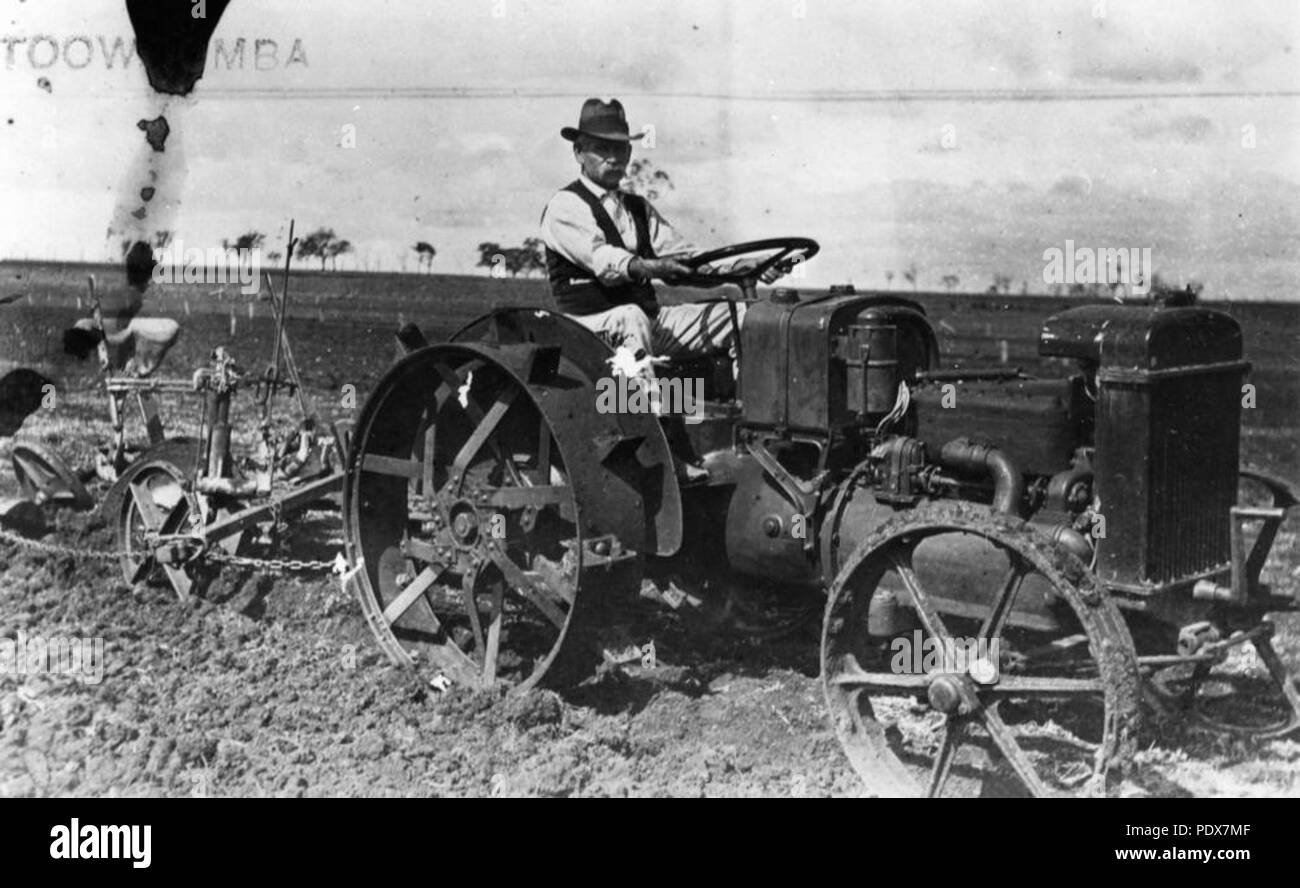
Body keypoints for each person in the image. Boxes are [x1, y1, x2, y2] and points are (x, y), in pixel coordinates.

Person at [540, 97, 756, 370]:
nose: (613, 157)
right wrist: (651, 267)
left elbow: (683, 255)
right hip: (589, 328)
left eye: (620, 149)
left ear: (629, 154)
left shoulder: (637, 207)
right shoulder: (566, 205)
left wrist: (738, 266)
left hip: (648, 321)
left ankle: (752, 408)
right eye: (601, 148)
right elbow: (603, 259)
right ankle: (644, 409)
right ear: (579, 152)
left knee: (742, 317)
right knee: (630, 317)